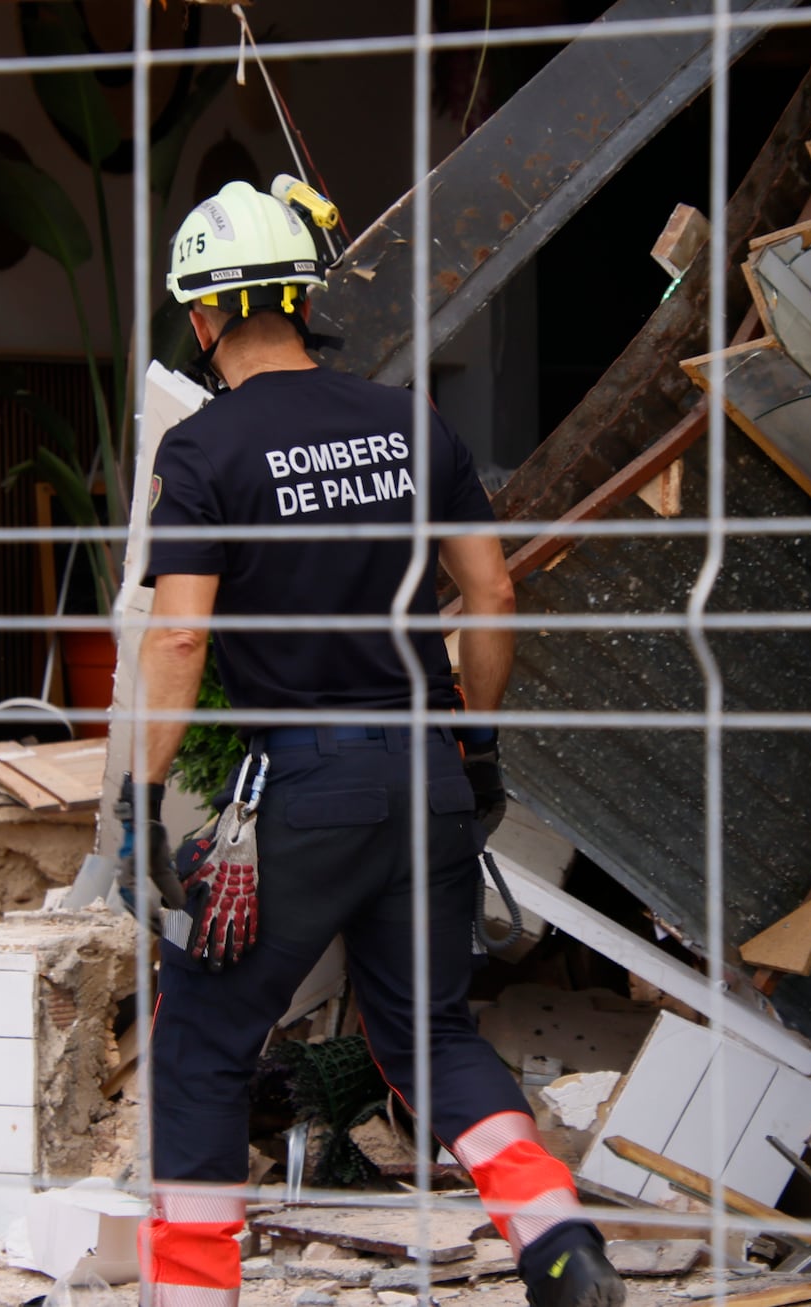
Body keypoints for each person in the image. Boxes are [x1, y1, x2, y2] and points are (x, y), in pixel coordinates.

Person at [121, 178, 625, 1307]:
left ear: (200, 317)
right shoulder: (410, 420)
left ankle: (192, 1291)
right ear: (301, 299)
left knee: (202, 1036)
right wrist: (477, 746)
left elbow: (180, 636)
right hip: (426, 768)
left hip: (304, 787)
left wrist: (136, 800)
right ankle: (556, 1236)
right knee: (429, 1030)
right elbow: (489, 593)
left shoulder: (202, 453)